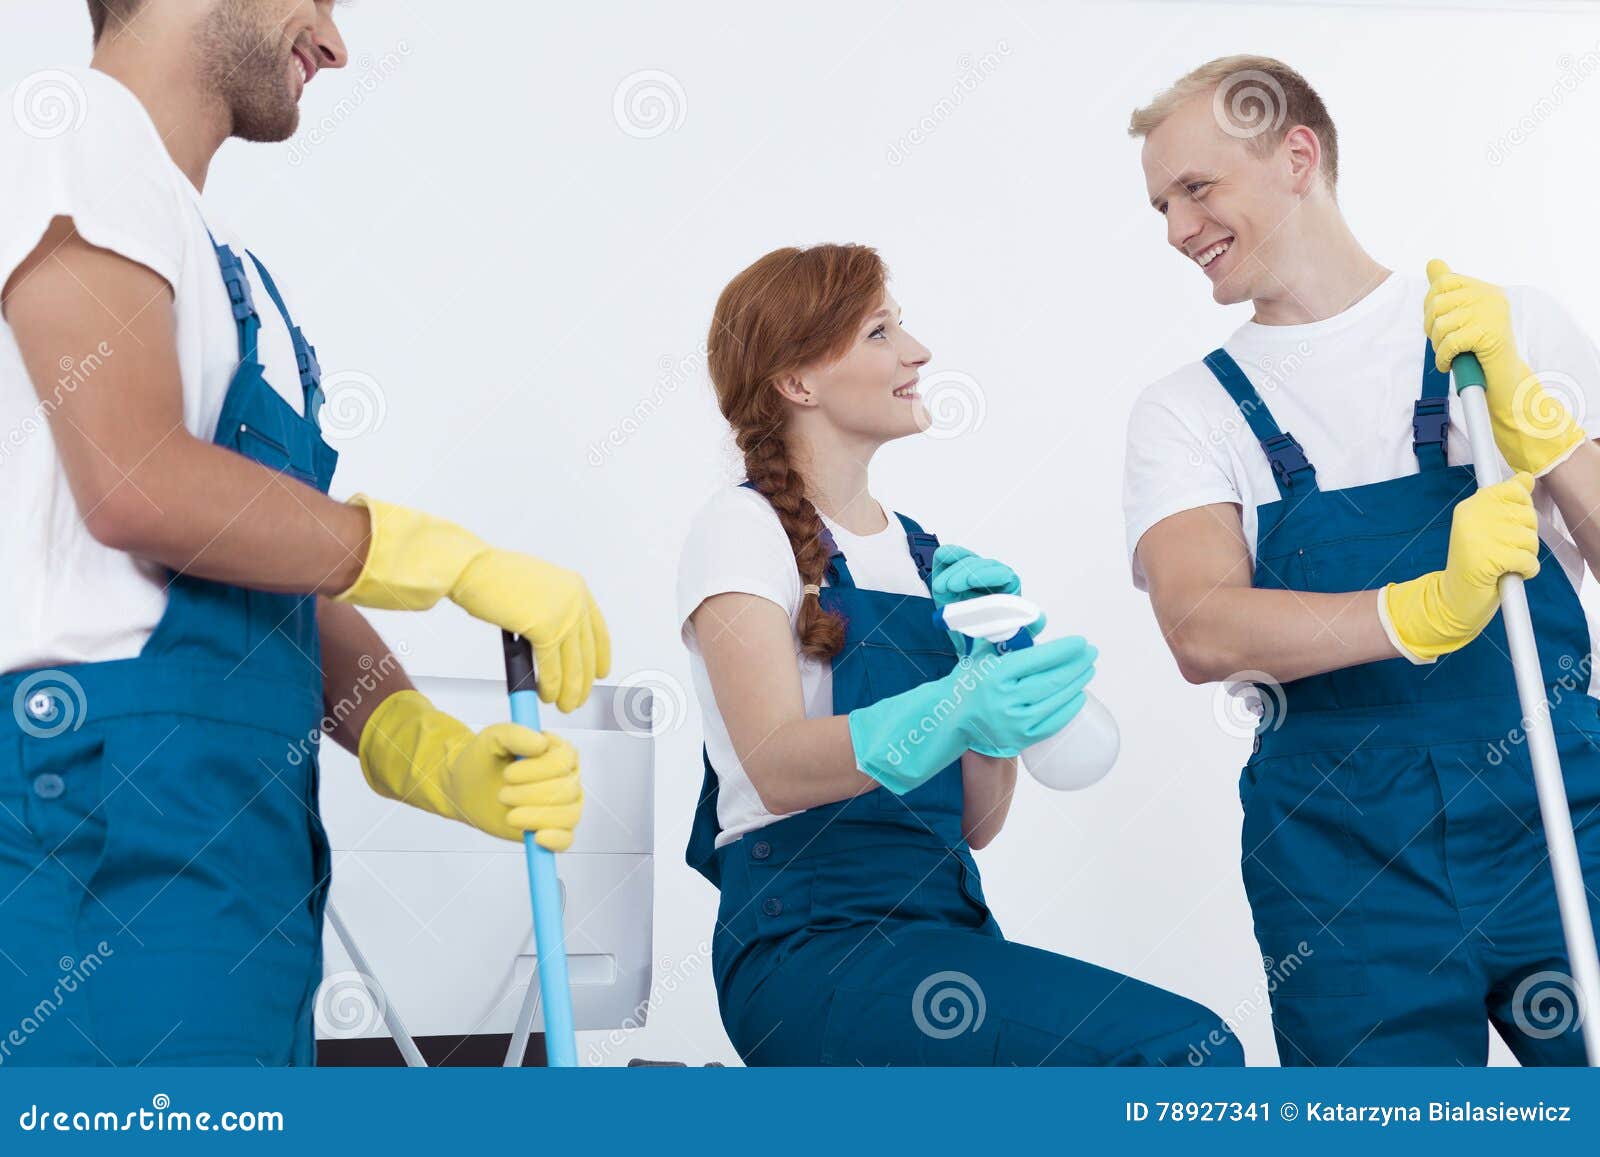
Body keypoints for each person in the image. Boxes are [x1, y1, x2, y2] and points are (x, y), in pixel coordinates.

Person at [0, 0, 608, 1065]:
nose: (333, 41)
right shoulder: (69, 133)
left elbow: (261, 570)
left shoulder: (234, 279)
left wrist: (416, 743)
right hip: (108, 822)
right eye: (318, 0)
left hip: (235, 854)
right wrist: (440, 561)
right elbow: (138, 483)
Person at [1124, 54, 1600, 1065]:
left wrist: (1542, 430)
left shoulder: (1499, 329)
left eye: (1196, 188)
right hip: (1342, 866)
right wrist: (1423, 606)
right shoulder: (1189, 410)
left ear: (1296, 155)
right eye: (1161, 203)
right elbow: (1202, 625)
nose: (1175, 228)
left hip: (1561, 808)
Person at [678, 242, 1242, 1066]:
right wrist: (957, 703)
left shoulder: (923, 559)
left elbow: (975, 822)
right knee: (1177, 1052)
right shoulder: (741, 528)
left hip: (941, 921)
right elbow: (777, 765)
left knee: (1175, 1055)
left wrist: (998, 701)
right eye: (879, 332)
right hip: (809, 942)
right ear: (798, 382)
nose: (918, 351)